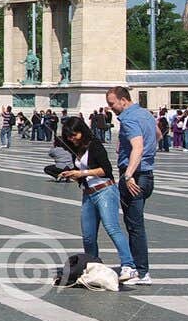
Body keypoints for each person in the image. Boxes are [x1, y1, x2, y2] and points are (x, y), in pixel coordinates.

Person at [52, 114, 137, 283]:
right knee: (88, 236)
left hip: (105, 190)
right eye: (68, 136)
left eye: (74, 135)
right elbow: (83, 172)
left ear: (82, 131)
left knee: (112, 228)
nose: (71, 139)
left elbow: (105, 170)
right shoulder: (76, 148)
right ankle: (93, 265)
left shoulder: (95, 145)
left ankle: (129, 265)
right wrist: (72, 174)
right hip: (89, 193)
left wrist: (82, 173)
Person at [107, 85, 155, 284]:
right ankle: (140, 268)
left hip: (135, 176)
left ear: (123, 100)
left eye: (112, 103)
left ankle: (140, 271)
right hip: (148, 174)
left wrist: (128, 175)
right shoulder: (146, 114)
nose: (111, 108)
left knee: (134, 225)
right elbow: (158, 136)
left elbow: (138, 146)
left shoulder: (128, 119)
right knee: (135, 224)